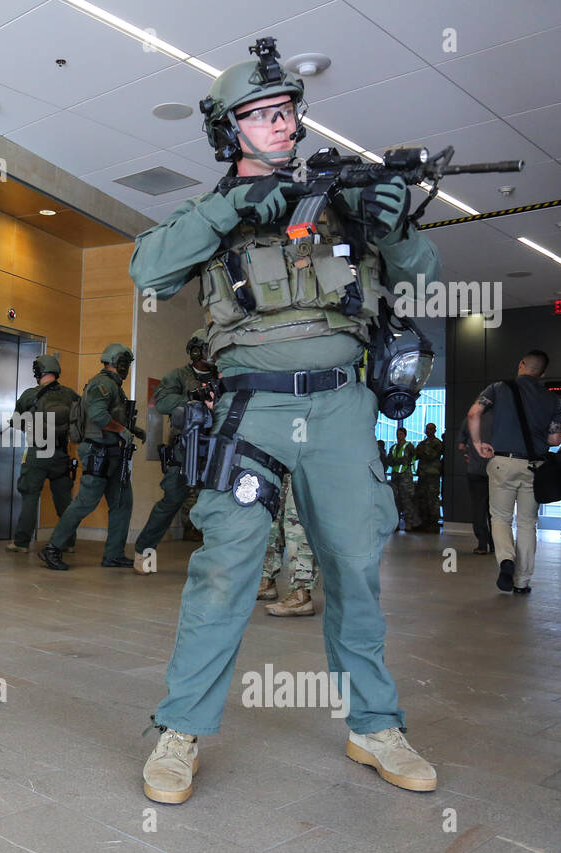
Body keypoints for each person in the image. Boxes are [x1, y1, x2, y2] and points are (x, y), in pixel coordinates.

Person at [129, 39, 440, 804]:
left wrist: (395, 227)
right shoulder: (210, 212)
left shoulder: (344, 201)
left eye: (285, 110)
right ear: (227, 130)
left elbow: (425, 278)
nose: (278, 122)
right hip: (251, 406)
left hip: (341, 403)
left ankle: (374, 725)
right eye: (259, 113)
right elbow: (148, 270)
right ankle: (181, 732)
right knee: (224, 570)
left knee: (355, 569)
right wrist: (231, 207)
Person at [467, 349, 561, 595]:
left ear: (521, 364)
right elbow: (555, 440)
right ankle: (522, 581)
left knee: (500, 518)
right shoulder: (553, 400)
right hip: (535, 467)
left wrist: (478, 443)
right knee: (527, 523)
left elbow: (474, 413)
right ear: (543, 373)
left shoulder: (499, 388)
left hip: (502, 462)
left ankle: (506, 560)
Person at [38, 344, 143, 571]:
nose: (127, 368)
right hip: (99, 451)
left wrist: (132, 431)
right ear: (118, 362)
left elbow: (112, 416)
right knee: (85, 502)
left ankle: (113, 554)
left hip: (112, 452)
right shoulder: (103, 384)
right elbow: (98, 416)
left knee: (123, 502)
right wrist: (122, 431)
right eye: (126, 363)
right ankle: (52, 548)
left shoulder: (113, 385)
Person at [133, 329, 216, 573]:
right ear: (195, 351)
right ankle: (143, 551)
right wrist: (192, 399)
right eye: (207, 348)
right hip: (185, 449)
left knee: (215, 503)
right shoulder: (178, 376)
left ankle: (216, 561)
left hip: (215, 447)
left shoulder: (222, 375)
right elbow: (162, 402)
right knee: (171, 501)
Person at [6, 354, 79, 554]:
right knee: (64, 500)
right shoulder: (70, 395)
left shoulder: (30, 394)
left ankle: (21, 543)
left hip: (38, 452)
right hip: (62, 454)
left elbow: (16, 421)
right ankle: (69, 542)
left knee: (30, 496)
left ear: (39, 372)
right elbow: (79, 420)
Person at [258, 473, 318, 616]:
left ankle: (301, 595)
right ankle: (266, 581)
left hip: (310, 458)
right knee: (273, 514)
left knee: (297, 520)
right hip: (284, 457)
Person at [456, 414, 493, 553]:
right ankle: (496, 544)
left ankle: (482, 544)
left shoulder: (469, 420)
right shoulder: (499, 418)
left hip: (476, 471)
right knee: (496, 510)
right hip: (496, 471)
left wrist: (472, 452)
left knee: (479, 508)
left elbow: (461, 446)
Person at [386, 427, 419, 532]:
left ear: (405, 435)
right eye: (397, 434)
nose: (398, 436)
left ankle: (409, 522)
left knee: (407, 499)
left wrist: (397, 460)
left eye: (400, 434)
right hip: (395, 476)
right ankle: (396, 523)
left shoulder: (409, 446)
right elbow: (389, 460)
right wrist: (398, 460)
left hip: (405, 476)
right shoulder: (394, 447)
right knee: (395, 500)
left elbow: (408, 459)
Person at [413, 422, 443, 531]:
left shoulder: (438, 443)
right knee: (422, 499)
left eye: (431, 429)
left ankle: (434, 524)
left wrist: (423, 451)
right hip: (422, 475)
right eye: (427, 429)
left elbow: (432, 456)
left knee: (432, 499)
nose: (428, 431)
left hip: (432, 476)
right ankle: (424, 522)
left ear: (434, 430)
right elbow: (416, 455)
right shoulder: (422, 443)